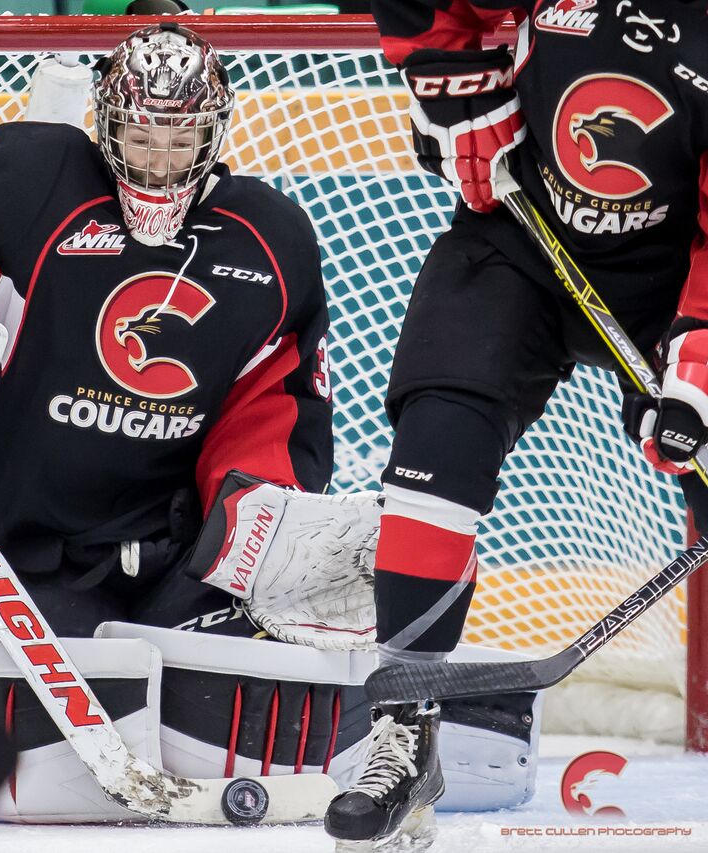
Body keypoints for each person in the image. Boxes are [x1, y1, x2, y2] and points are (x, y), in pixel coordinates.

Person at [325, 2, 708, 850]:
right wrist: (451, 78)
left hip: (677, 275)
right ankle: (403, 724)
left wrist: (697, 371)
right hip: (519, 239)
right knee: (438, 443)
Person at [0, 22, 333, 642]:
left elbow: (277, 397)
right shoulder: (34, 181)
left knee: (223, 718)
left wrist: (253, 518)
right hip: (42, 552)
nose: (157, 162)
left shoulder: (268, 238)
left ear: (215, 133)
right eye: (140, 136)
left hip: (189, 557)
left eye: (179, 140)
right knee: (42, 729)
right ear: (107, 125)